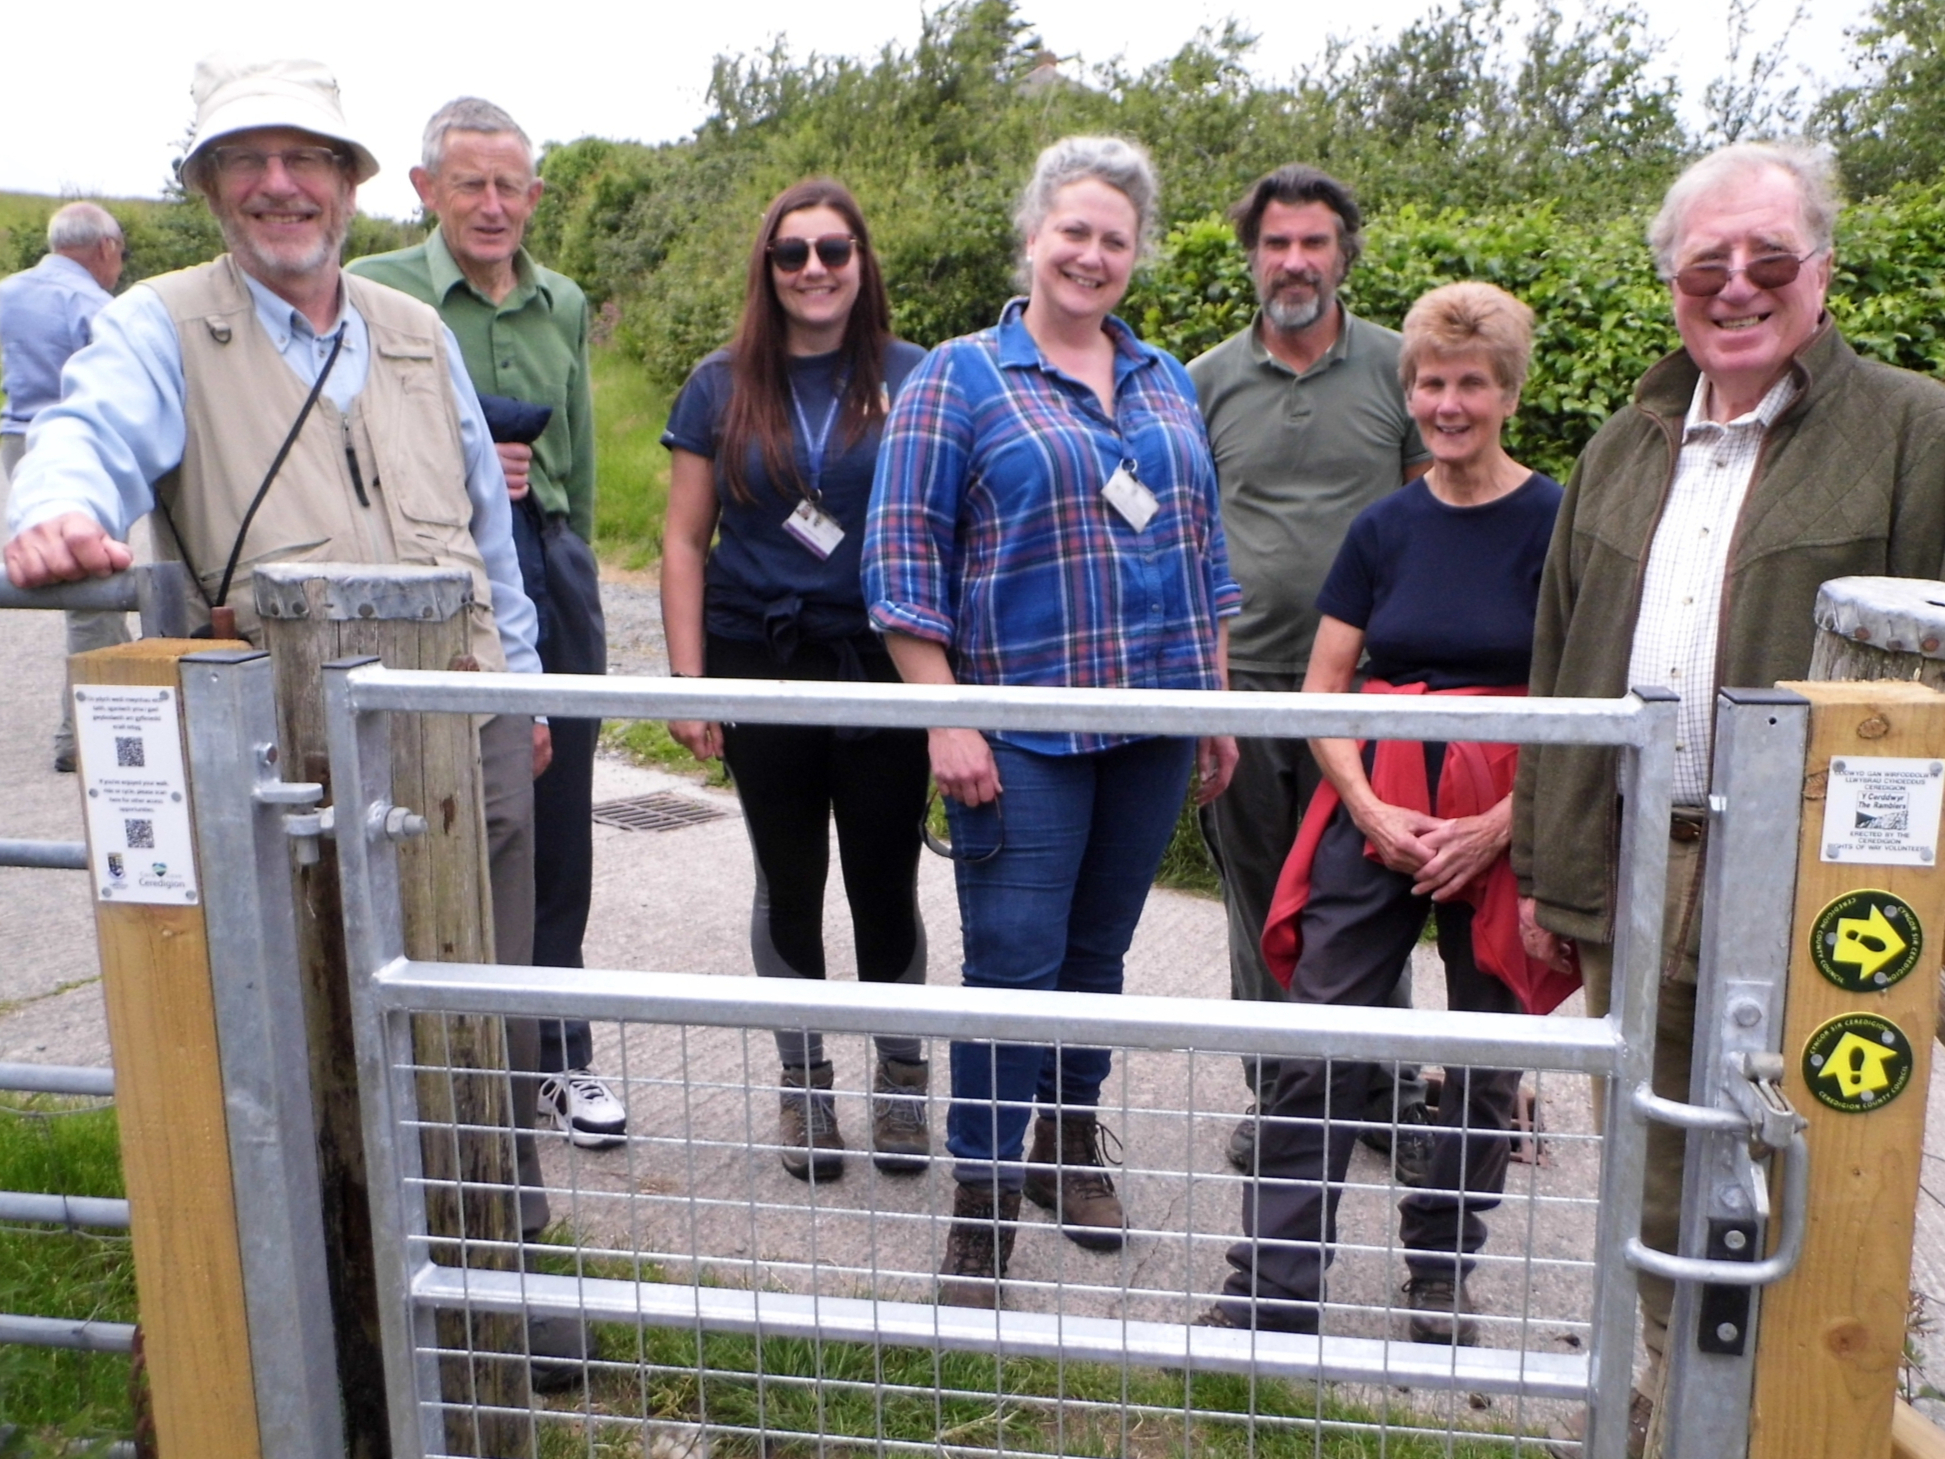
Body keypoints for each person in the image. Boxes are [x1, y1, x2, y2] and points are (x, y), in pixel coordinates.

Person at [0, 53, 578, 1379]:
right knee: (314, 1029)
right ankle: (336, 1311)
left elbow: (489, 536)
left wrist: (525, 682)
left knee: (476, 1016)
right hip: (286, 753)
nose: (278, 186)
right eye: (245, 163)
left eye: (305, 159)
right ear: (207, 187)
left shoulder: (416, 329)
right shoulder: (156, 322)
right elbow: (83, 434)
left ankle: (486, 1287)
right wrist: (52, 517)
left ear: (350, 182)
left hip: (461, 725)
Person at [1512, 140, 1945, 1457]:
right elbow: (1561, 656)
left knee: (1815, 1165)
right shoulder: (1625, 445)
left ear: (1822, 271)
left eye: (1768, 258)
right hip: (1643, 860)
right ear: (1671, 281)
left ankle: (1821, 1412)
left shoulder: (1912, 431)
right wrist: (1546, 862)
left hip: (1819, 878)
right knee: (1652, 1163)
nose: (1737, 284)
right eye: (1707, 262)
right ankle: (1671, 1409)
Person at [864, 135, 1241, 1305]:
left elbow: (1201, 552)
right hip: (1017, 733)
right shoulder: (961, 376)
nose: (1090, 254)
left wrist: (1214, 703)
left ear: (1136, 257)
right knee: (1013, 965)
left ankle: (1062, 1145)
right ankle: (980, 1209)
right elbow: (899, 556)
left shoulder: (1164, 376)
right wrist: (946, 718)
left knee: (1095, 960)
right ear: (1032, 237)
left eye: (1113, 239)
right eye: (1072, 231)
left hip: (1151, 725)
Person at [1212, 282, 1572, 1345]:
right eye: (1429, 382)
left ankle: (1438, 1268)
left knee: (1481, 1052)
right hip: (1380, 803)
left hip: (1503, 810)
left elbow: (1579, 694)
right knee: (1320, 1032)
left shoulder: (1558, 524)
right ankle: (1271, 1282)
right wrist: (1366, 807)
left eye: (1470, 382)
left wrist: (1501, 826)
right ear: (1408, 390)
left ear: (1507, 391)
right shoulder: (1382, 526)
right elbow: (1324, 688)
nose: (1446, 402)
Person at [348, 97, 625, 1152]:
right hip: (426, 579)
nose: (494, 205)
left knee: (557, 831)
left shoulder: (561, 300)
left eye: (512, 186)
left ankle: (557, 1058)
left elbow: (584, 467)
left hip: (545, 569)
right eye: (471, 183)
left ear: (536, 196)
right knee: (429, 818)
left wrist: (577, 571)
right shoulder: (377, 292)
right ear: (424, 191)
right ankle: (429, 1057)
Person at [659, 179, 932, 1181]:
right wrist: (688, 685)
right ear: (766, 271)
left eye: (833, 250)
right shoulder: (719, 383)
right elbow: (685, 541)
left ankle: (902, 1079)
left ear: (862, 263)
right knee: (788, 881)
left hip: (880, 665)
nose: (813, 269)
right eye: (791, 253)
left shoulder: (920, 375)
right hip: (758, 659)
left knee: (883, 878)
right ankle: (804, 1087)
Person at [1186, 166, 1433, 1175]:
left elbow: (1432, 517)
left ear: (1344, 254)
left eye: (1314, 242)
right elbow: (1184, 541)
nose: (1294, 261)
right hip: (1243, 694)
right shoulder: (1200, 381)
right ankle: (1282, 1094)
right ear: (1251, 254)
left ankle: (1382, 1090)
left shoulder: (1398, 368)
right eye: (1276, 242)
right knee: (1257, 901)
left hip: (1368, 696)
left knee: (1371, 896)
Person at [0, 202, 131, 772]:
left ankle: (99, 715)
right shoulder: (96, 307)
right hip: (80, 454)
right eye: (120, 254)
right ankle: (83, 734)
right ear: (104, 248)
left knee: (88, 588)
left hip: (18, 444)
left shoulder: (9, 292)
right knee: (92, 594)